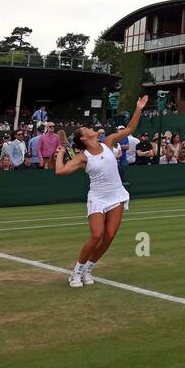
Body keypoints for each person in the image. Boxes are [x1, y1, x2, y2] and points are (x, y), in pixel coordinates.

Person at [55, 95, 149, 288]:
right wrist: (61, 154)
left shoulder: (109, 142)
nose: (90, 129)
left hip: (117, 195)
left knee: (109, 236)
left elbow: (130, 129)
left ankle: (88, 269)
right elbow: (60, 171)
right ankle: (76, 272)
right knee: (97, 235)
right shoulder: (83, 157)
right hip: (97, 198)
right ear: (83, 138)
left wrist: (139, 108)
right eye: (86, 129)